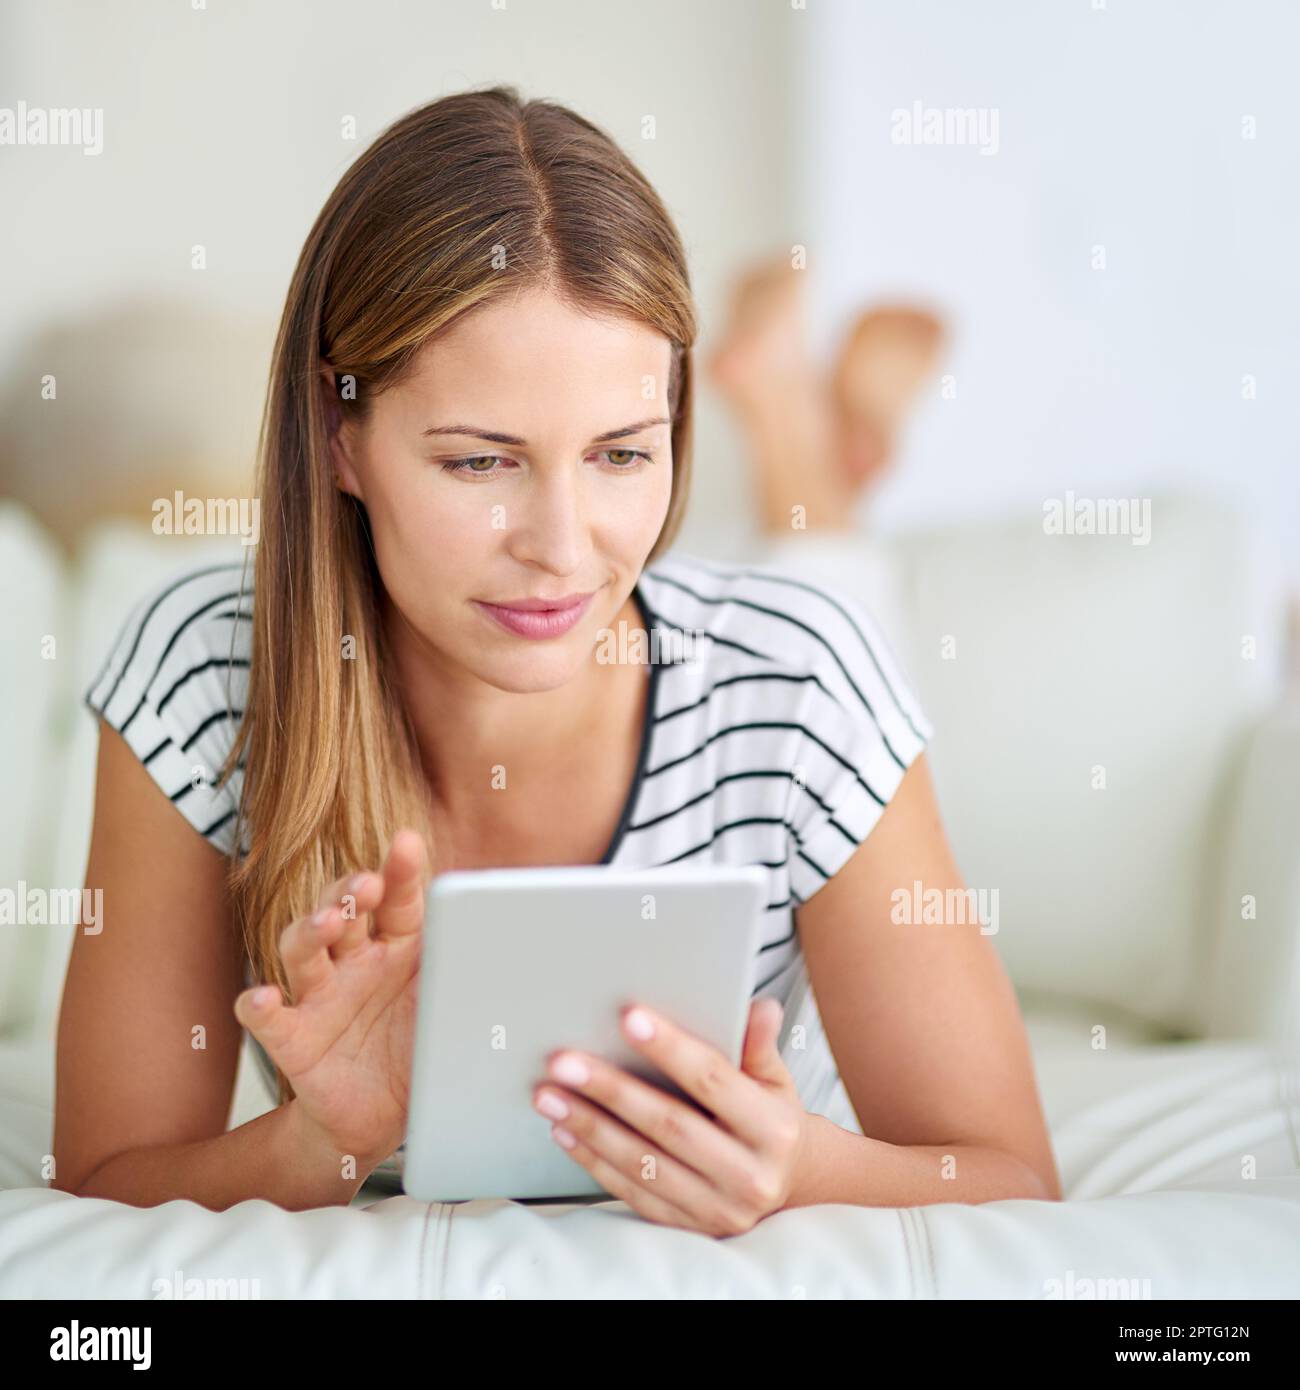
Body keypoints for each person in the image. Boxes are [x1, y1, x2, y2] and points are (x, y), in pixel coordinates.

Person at [55, 86, 1060, 1234]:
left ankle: (800, 426)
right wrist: (317, 1144)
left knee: (828, 580)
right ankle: (810, 419)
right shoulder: (199, 673)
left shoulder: (800, 686)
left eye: (623, 452)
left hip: (760, 642)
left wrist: (799, 1171)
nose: (562, 548)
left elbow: (1010, 1179)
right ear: (340, 438)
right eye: (481, 464)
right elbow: (103, 1182)